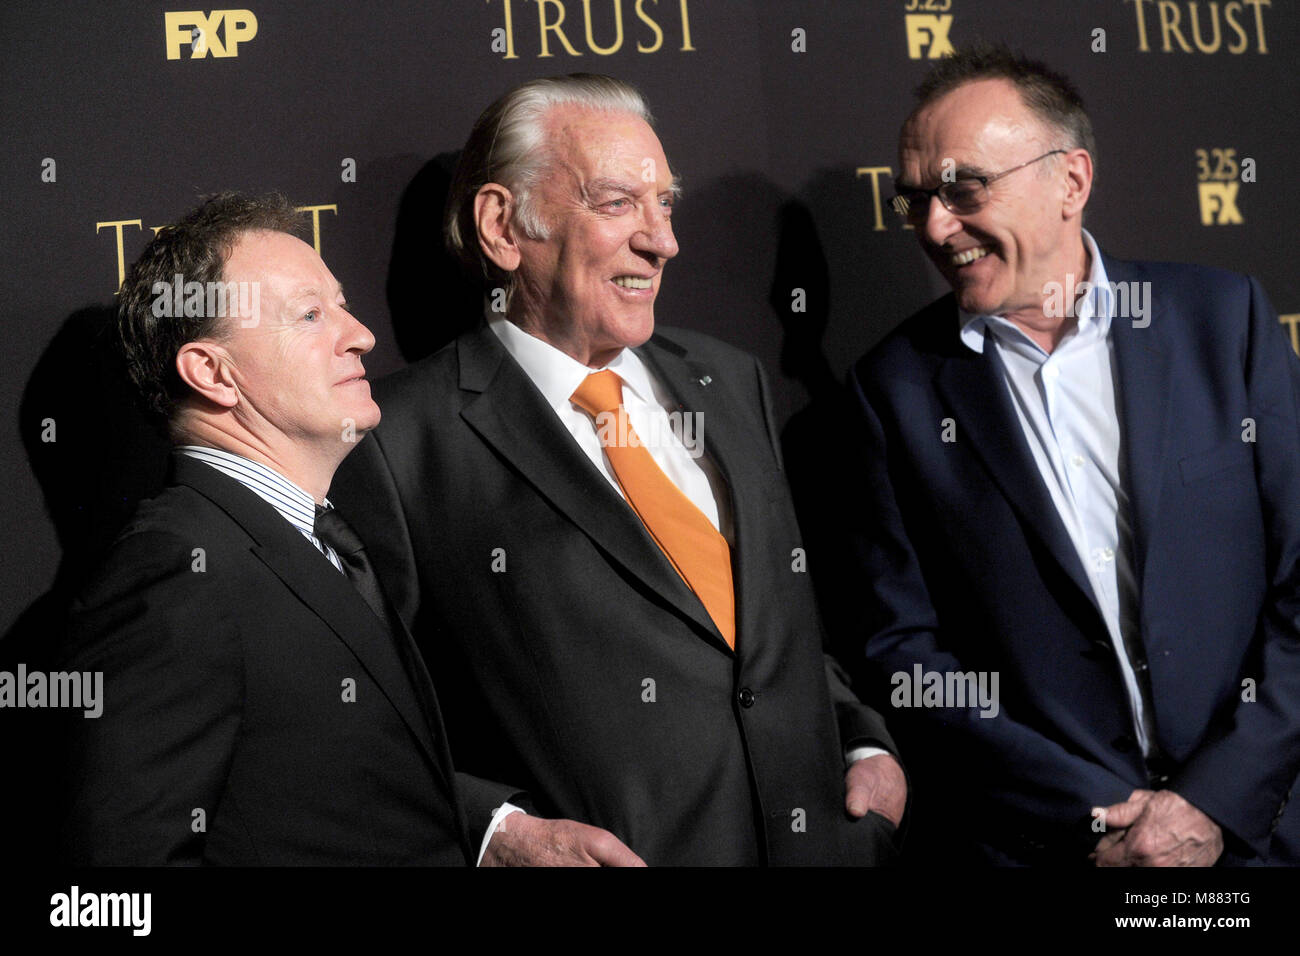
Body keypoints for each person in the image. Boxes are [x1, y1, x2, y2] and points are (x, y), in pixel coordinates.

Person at [331, 74, 905, 866]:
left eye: (665, 202)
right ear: (503, 227)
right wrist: (497, 833)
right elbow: (352, 716)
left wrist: (862, 740)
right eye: (616, 203)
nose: (662, 240)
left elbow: (770, 624)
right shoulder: (397, 444)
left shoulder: (727, 379)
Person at [59, 193, 620, 866]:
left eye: (341, 303)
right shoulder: (178, 572)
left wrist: (496, 834)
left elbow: (321, 775)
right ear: (213, 372)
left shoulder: (318, 536)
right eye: (309, 315)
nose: (361, 334)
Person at [845, 45, 1300, 866]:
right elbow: (905, 653)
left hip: (1262, 828)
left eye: (963, 189)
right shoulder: (893, 391)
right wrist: (1101, 816)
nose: (935, 227)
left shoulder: (1220, 322)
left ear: (1071, 181)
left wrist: (1219, 798)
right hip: (1063, 848)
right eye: (916, 199)